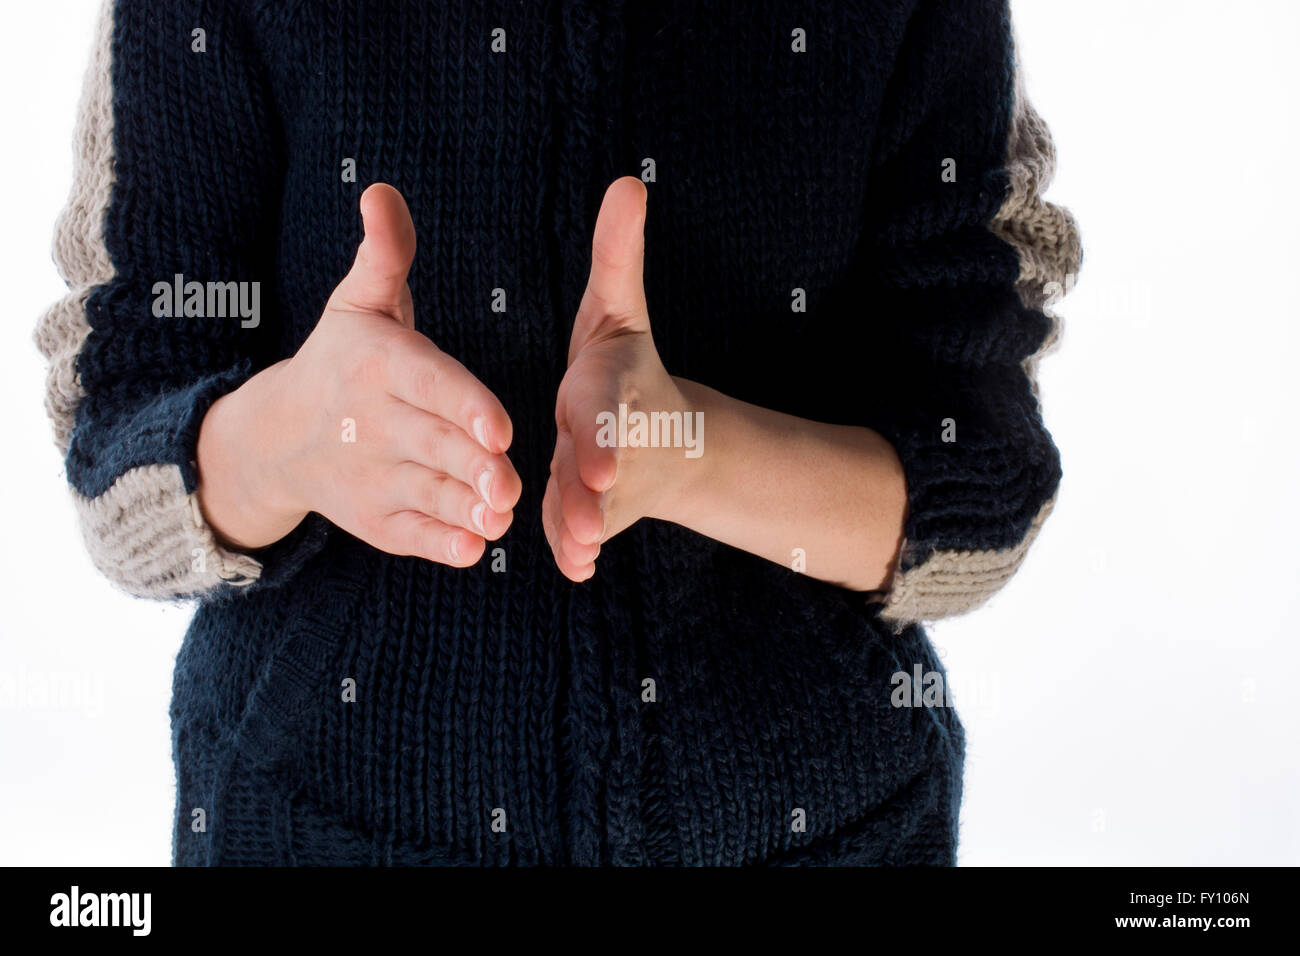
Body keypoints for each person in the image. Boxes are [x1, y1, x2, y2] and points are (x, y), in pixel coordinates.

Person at [35, 0, 1081, 865]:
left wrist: (694, 452)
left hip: (821, 825)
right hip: (310, 825)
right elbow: (119, 431)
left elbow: (982, 482)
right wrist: (295, 437)